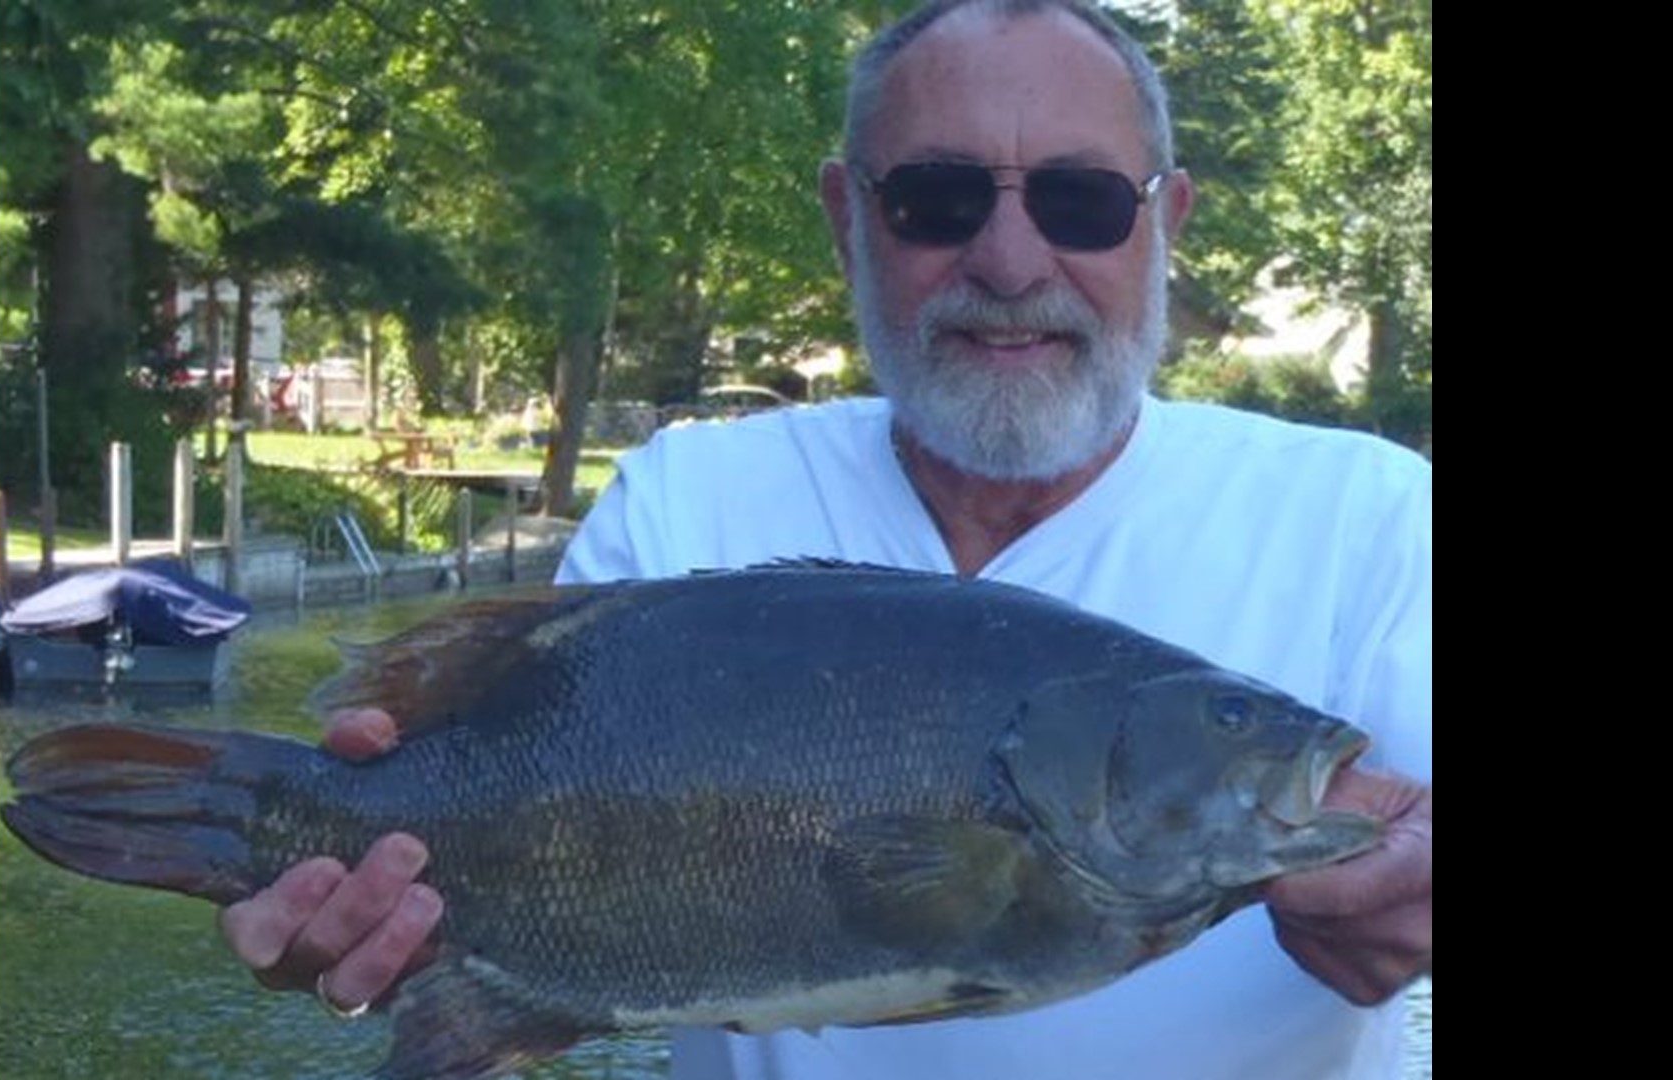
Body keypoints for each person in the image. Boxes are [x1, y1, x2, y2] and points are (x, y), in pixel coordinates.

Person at [220, 2, 1432, 1077]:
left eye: (1082, 201)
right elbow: (508, 825)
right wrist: (358, 903)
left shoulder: (1372, 516)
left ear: (1164, 219)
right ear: (850, 218)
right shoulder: (686, 495)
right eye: (938, 202)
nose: (1011, 263)